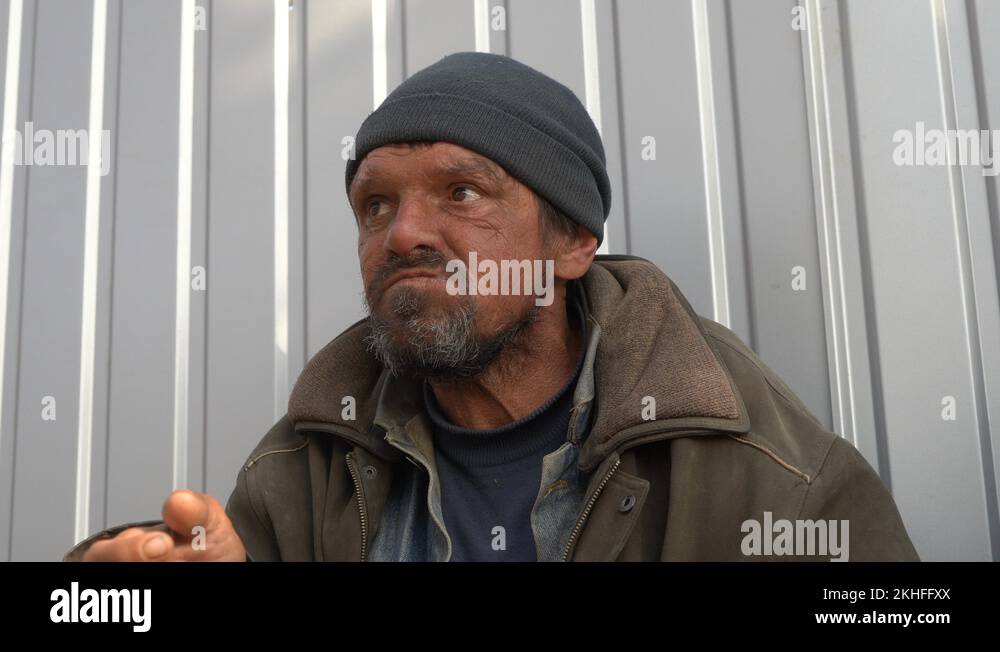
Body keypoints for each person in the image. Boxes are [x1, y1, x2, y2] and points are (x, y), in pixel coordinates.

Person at [64, 51, 918, 562]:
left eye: (462, 191)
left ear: (572, 242)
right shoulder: (311, 460)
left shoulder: (765, 472)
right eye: (374, 205)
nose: (403, 235)